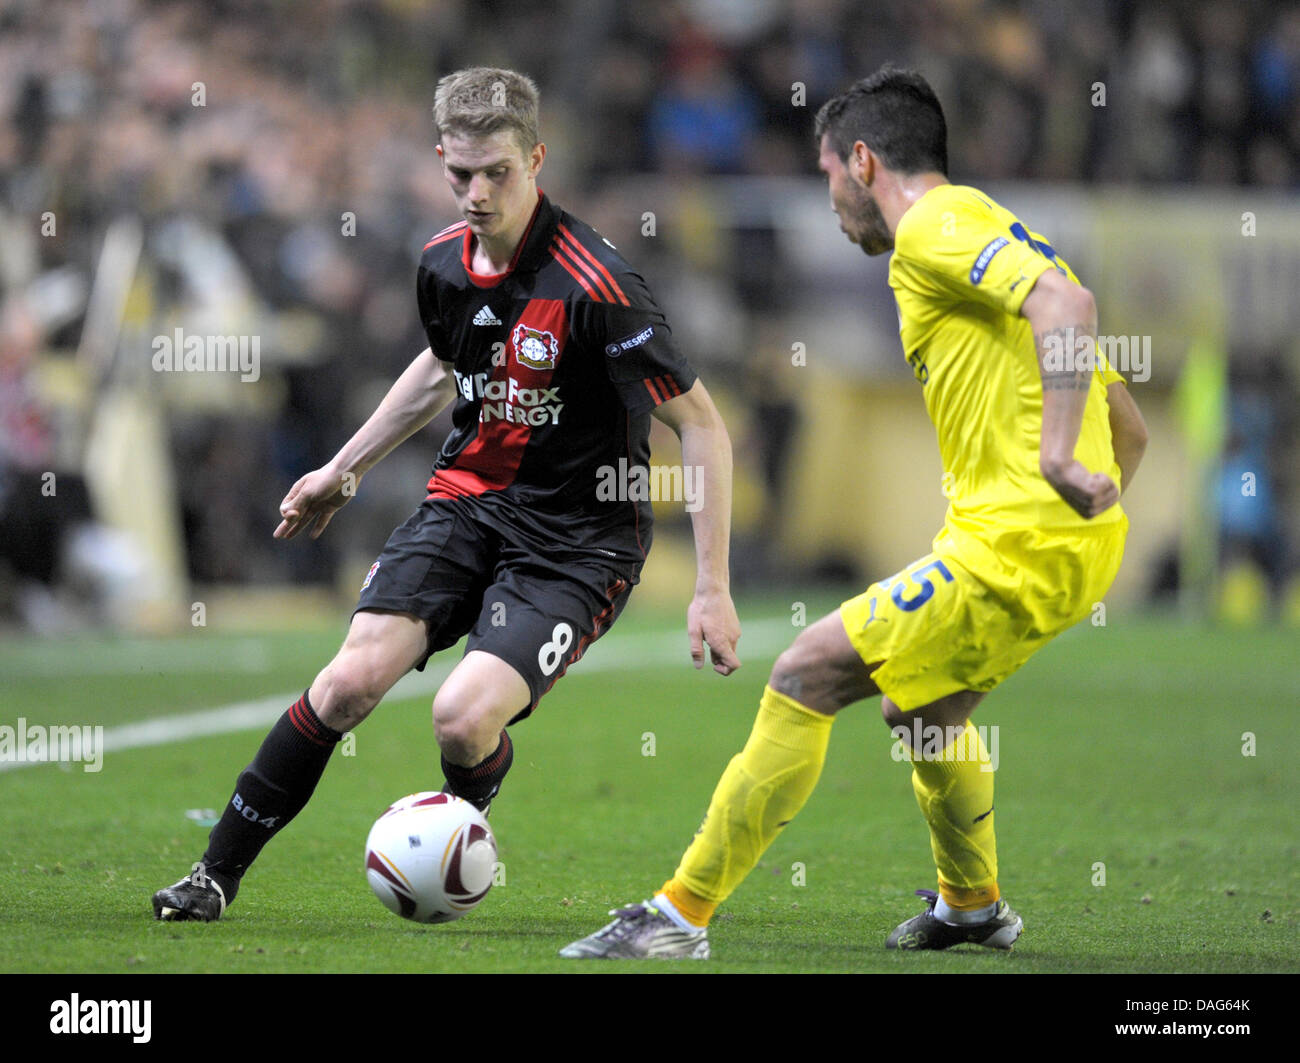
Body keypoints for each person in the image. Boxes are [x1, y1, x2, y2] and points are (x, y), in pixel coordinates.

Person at [560, 64, 1148, 959]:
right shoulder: (998, 228)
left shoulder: (939, 227)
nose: (830, 199)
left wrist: (1056, 461)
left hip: (1019, 541)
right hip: (1067, 544)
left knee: (805, 672)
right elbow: (1131, 427)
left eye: (828, 173)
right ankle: (972, 905)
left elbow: (1069, 307)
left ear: (863, 161)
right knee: (926, 715)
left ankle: (677, 914)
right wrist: (1082, 516)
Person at [152, 67, 741, 922]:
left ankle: (464, 810)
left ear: (536, 159)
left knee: (461, 720)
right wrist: (341, 468)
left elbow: (704, 427)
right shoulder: (439, 264)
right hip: (465, 503)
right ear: (441, 160)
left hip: (577, 539)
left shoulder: (599, 287)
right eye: (460, 174)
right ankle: (213, 874)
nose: (477, 193)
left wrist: (712, 585)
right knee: (347, 682)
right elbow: (439, 367)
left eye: (498, 172)